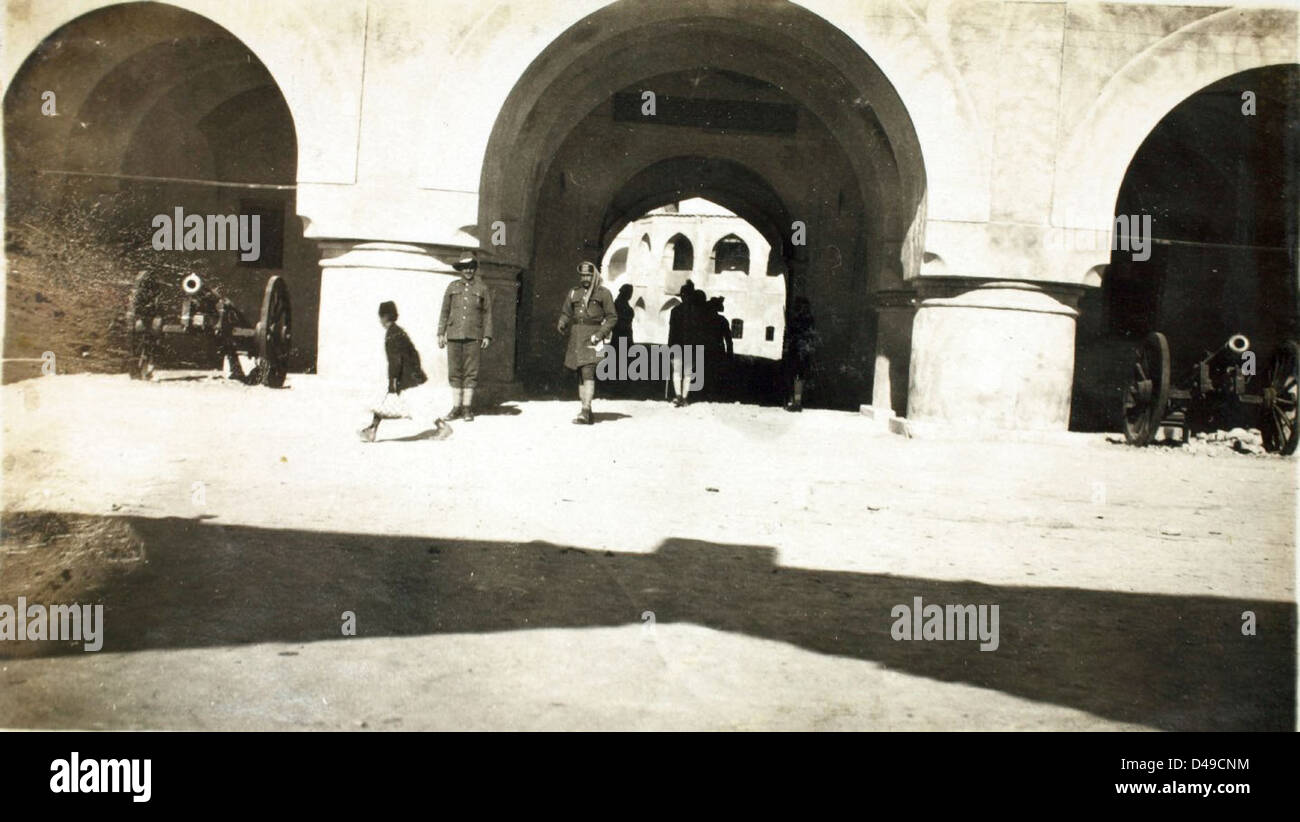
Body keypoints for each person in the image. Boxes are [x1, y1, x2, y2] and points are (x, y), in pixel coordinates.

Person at [359, 301, 451, 442]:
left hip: (406, 378)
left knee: (419, 404)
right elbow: (414, 353)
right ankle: (372, 430)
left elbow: (395, 361)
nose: (380, 320)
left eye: (380, 316)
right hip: (410, 375)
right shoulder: (398, 332)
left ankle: (443, 427)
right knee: (384, 402)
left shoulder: (392, 335)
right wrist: (416, 371)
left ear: (384, 317)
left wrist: (393, 382)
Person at [558, 260, 618, 424]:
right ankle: (587, 410)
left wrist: (600, 334)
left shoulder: (603, 293)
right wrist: (562, 322)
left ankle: (585, 410)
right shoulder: (574, 293)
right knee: (580, 373)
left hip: (593, 337)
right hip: (576, 336)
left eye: (588, 275)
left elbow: (612, 317)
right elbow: (566, 312)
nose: (585, 278)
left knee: (587, 372)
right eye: (583, 275)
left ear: (594, 276)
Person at [438, 252, 493, 421]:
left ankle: (467, 408)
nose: (468, 270)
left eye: (471, 267)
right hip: (454, 334)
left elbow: (487, 313)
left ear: (475, 269)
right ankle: (456, 408)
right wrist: (440, 333)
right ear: (460, 269)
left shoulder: (482, 288)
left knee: (471, 372)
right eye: (465, 267)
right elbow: (445, 311)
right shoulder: (452, 287)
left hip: (473, 335)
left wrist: (487, 335)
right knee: (454, 372)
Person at [666, 280, 697, 406]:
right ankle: (684, 398)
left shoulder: (675, 311)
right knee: (688, 373)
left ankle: (678, 396)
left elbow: (672, 331)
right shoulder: (696, 312)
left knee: (677, 372)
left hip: (677, 345)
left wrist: (669, 346)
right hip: (691, 346)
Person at [783, 296, 817, 412]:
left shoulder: (803, 319)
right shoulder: (806, 319)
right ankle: (795, 401)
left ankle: (796, 402)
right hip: (799, 351)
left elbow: (798, 334)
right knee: (797, 378)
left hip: (799, 351)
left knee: (797, 377)